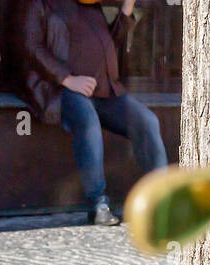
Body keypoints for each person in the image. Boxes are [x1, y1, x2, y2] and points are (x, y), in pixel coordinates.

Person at [15, 0, 168, 226]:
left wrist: (127, 8)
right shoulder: (40, 3)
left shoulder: (90, 5)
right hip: (64, 90)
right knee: (88, 122)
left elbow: (111, 43)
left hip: (106, 92)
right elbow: (30, 45)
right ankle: (98, 204)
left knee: (147, 121)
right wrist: (67, 79)